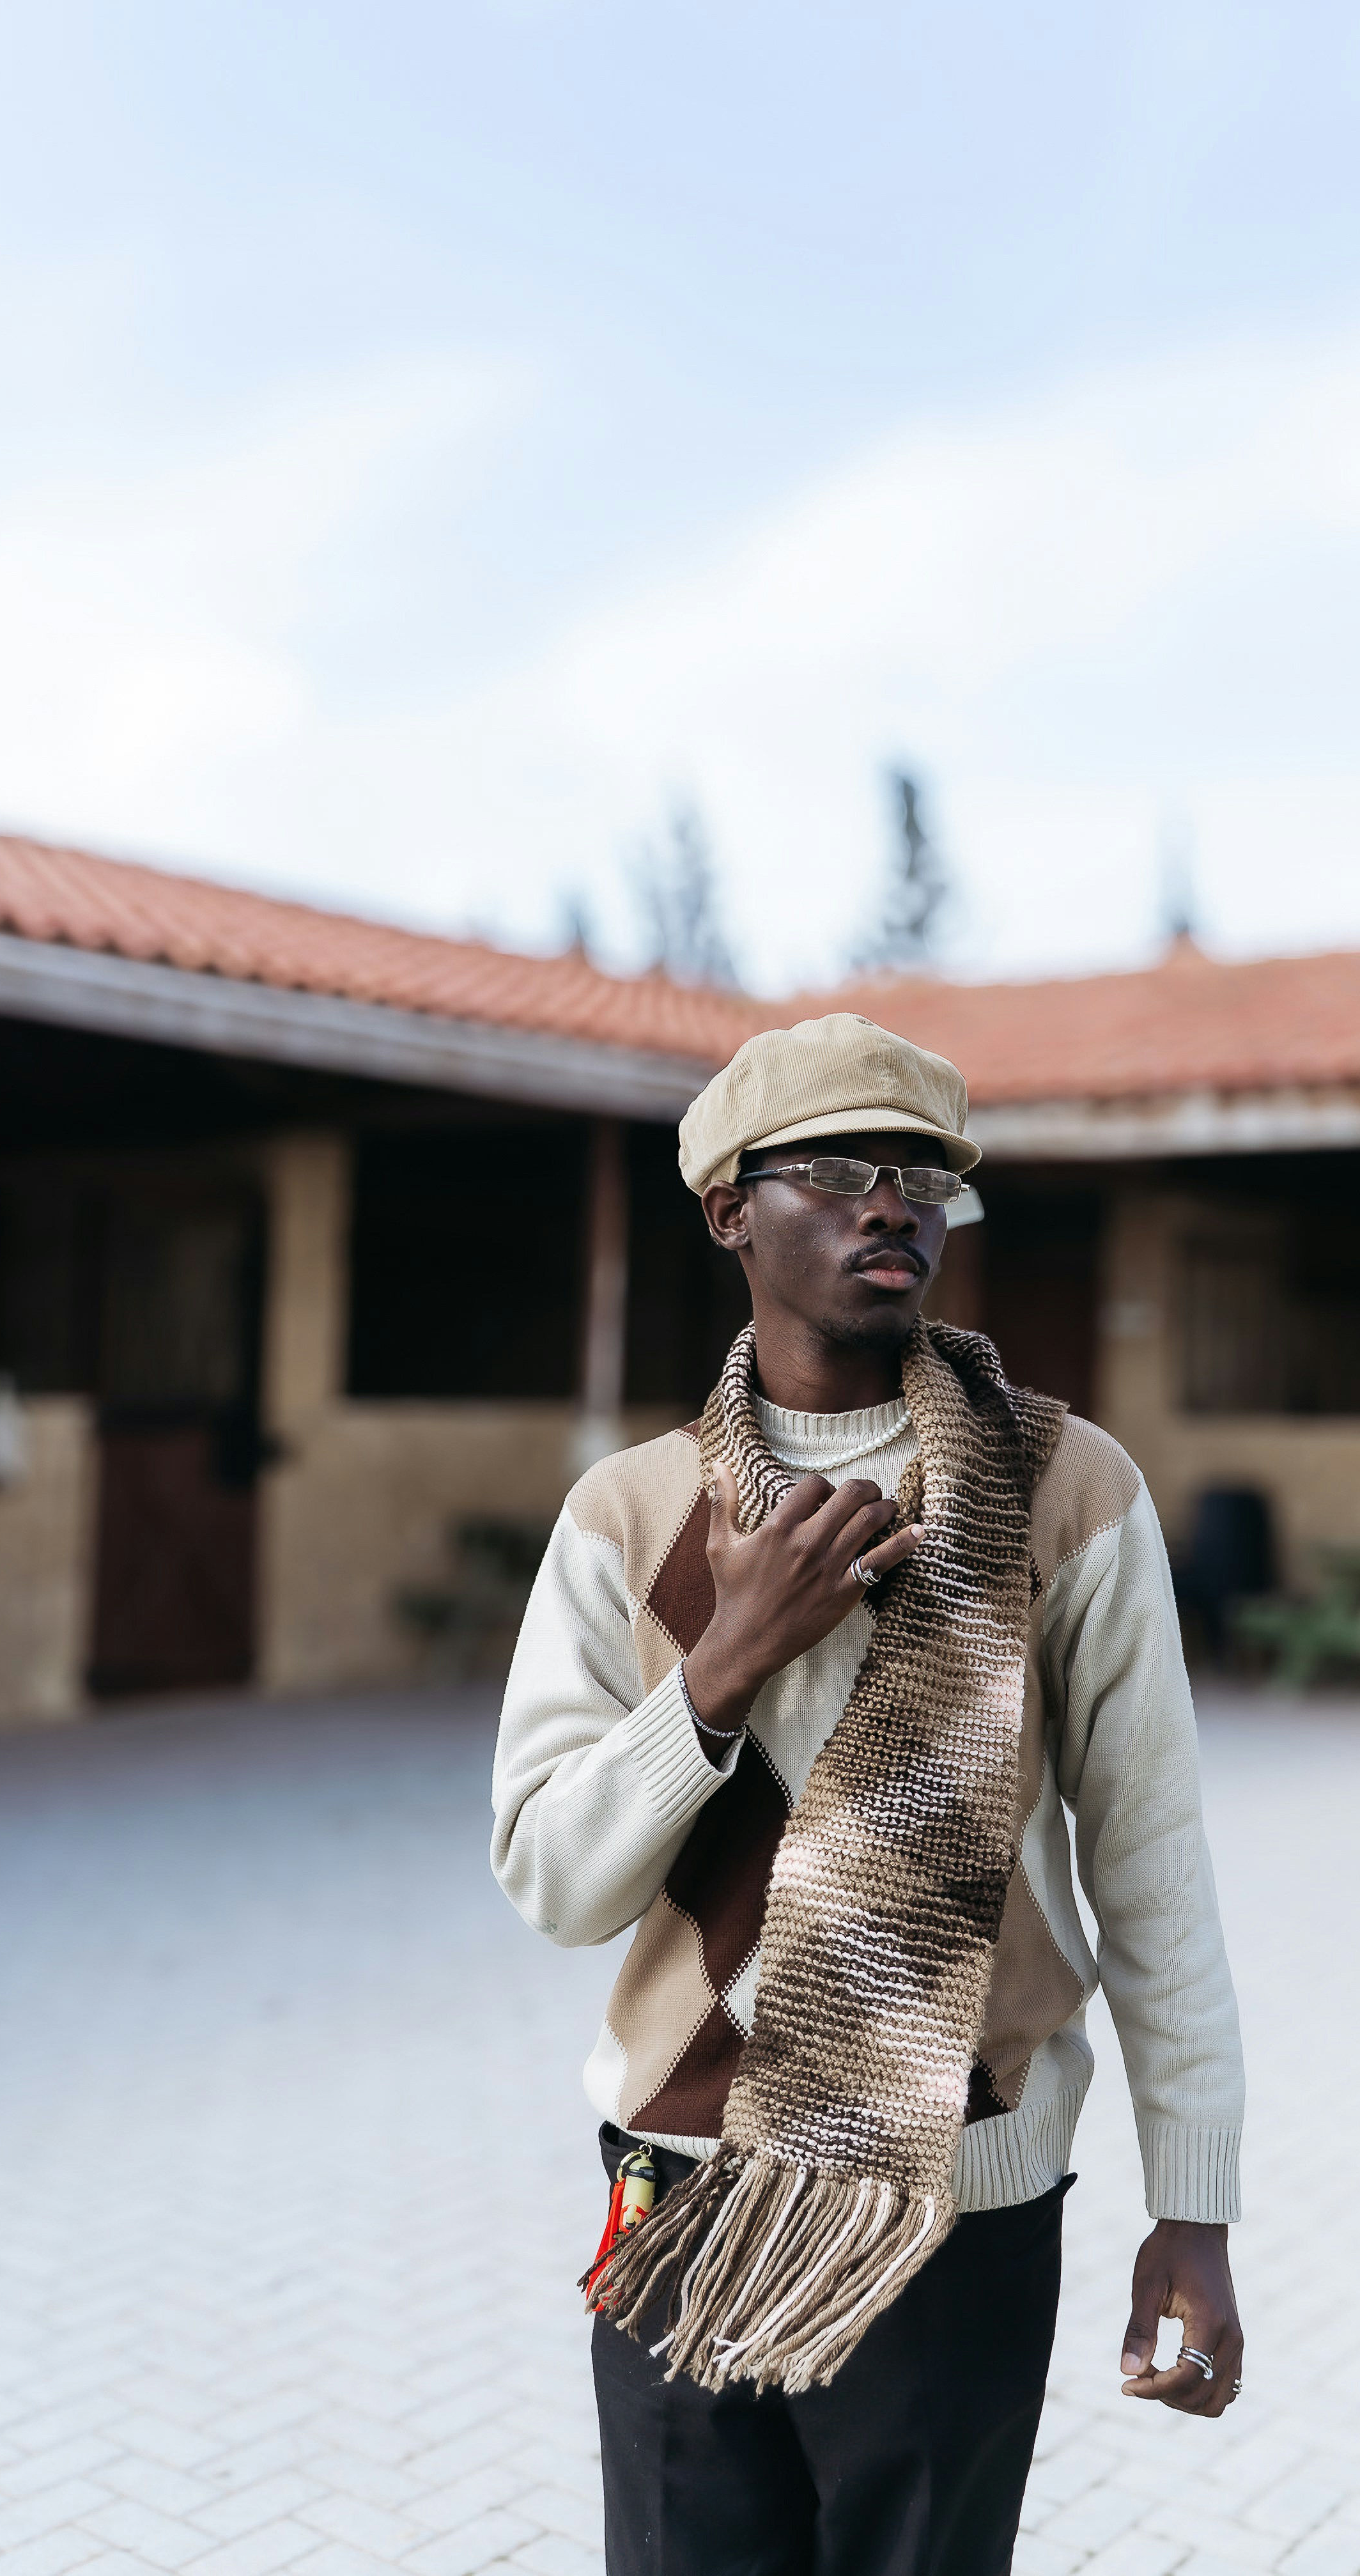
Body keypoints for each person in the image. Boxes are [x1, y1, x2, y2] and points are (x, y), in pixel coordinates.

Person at [491, 1013, 1245, 2576]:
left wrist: (1195, 2198)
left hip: (960, 2198)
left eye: (923, 1176)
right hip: (685, 2181)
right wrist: (725, 1663)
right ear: (729, 1210)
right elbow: (555, 1881)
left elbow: (1155, 1868)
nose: (891, 1203)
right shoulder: (629, 1516)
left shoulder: (1070, 1489)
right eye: (836, 1169)